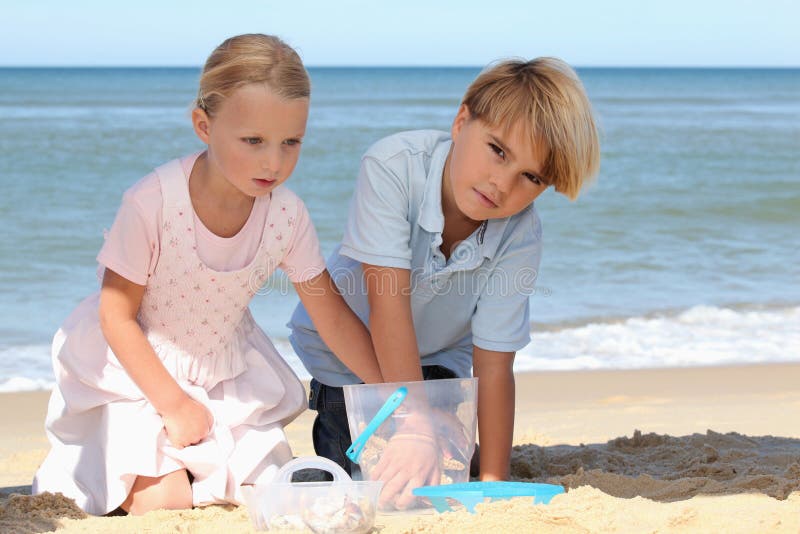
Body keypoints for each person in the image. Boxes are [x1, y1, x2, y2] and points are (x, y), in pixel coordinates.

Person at [32, 34, 382, 516]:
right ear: (204, 125)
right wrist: (173, 406)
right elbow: (116, 316)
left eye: (291, 142)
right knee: (167, 502)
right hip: (134, 370)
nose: (274, 162)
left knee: (262, 494)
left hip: (222, 371)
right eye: (253, 141)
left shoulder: (287, 215)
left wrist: (393, 390)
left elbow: (331, 315)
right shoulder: (152, 202)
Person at [289, 57, 600, 508]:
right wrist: (416, 422)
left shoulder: (520, 231)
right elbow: (387, 308)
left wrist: (493, 481)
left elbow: (494, 364)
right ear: (461, 121)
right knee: (374, 483)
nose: (502, 183)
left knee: (443, 475)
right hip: (350, 360)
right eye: (497, 150)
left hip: (437, 366)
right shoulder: (393, 167)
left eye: (530, 177)